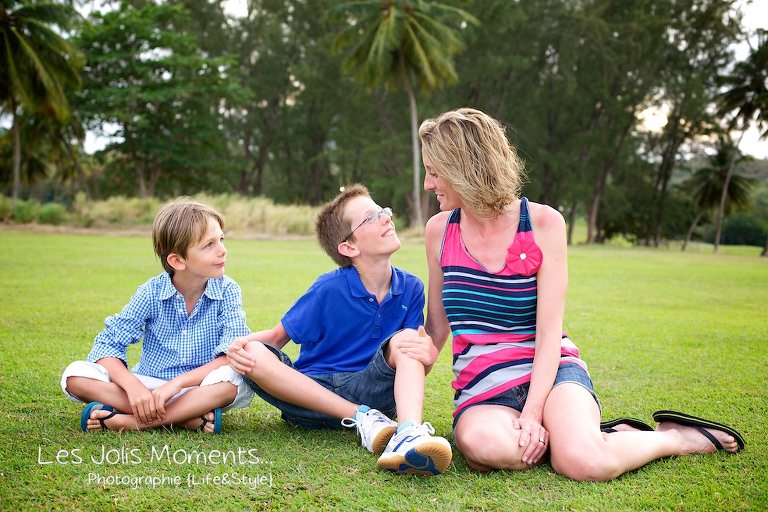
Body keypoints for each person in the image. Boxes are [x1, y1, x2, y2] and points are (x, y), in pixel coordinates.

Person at [419, 108, 745, 481]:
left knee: (584, 463)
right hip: (483, 386)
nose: (429, 184)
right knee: (485, 450)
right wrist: (403, 365)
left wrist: (533, 412)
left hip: (551, 370)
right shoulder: (439, 231)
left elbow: (548, 333)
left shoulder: (544, 224)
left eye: (434, 172)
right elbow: (437, 326)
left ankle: (671, 438)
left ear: (466, 169)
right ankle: (592, 435)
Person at [226, 184, 452, 475]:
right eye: (371, 217)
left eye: (383, 211)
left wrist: (427, 354)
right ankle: (361, 418)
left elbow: (415, 363)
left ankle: (407, 433)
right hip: (312, 394)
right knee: (253, 350)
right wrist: (237, 345)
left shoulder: (411, 289)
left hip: (375, 391)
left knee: (408, 340)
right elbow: (275, 338)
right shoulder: (327, 288)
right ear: (349, 247)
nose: (385, 217)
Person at [62, 198, 253, 434]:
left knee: (235, 380)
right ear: (177, 260)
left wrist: (177, 384)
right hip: (149, 385)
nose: (223, 250)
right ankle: (186, 418)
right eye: (209, 244)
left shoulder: (228, 290)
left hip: (200, 387)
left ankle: (131, 422)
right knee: (75, 376)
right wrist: (134, 387)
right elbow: (107, 344)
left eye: (221, 240)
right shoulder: (150, 292)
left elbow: (230, 355)